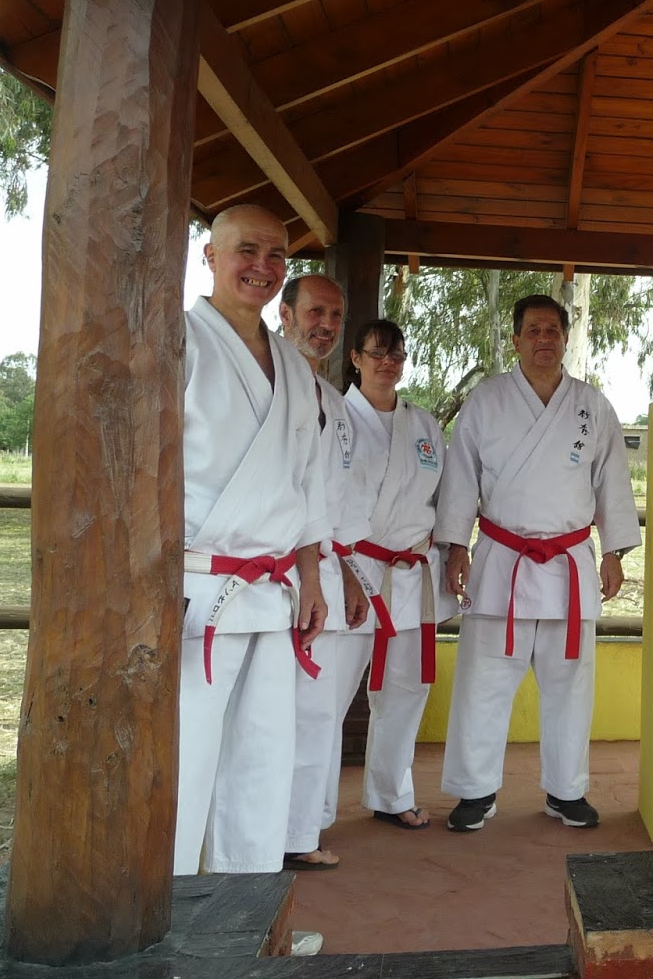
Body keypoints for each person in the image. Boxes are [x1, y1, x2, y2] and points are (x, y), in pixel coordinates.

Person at [435, 294, 641, 831]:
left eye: (553, 330)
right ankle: (475, 791)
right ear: (516, 339)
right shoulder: (486, 400)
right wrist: (456, 544)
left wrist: (615, 550)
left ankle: (565, 791)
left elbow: (612, 482)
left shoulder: (592, 406)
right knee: (483, 681)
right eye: (533, 330)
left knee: (570, 685)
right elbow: (460, 477)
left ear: (565, 337)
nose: (544, 339)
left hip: (569, 563)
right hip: (503, 560)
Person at [177, 205, 328, 876]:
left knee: (262, 762)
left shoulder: (297, 368)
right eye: (246, 250)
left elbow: (307, 485)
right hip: (195, 590)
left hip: (273, 593)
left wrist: (313, 580)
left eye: (276, 255)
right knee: (183, 762)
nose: (261, 267)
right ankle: (167, 916)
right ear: (210, 256)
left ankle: (249, 914)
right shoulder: (175, 341)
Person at [341, 319, 449, 831]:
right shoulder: (334, 417)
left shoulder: (424, 425)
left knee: (406, 689)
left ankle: (391, 793)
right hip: (350, 568)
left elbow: (442, 499)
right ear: (355, 359)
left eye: (397, 353)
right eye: (377, 352)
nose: (388, 362)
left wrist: (450, 556)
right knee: (329, 696)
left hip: (409, 571)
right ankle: (304, 818)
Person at [279, 274, 370, 871]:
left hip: (327, 570)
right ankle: (252, 836)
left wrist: (352, 573)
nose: (326, 327)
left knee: (319, 713)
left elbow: (340, 502)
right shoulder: (265, 383)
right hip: (270, 569)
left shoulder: (336, 404)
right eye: (315, 312)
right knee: (265, 715)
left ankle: (299, 831)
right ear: (284, 314)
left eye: (335, 317)